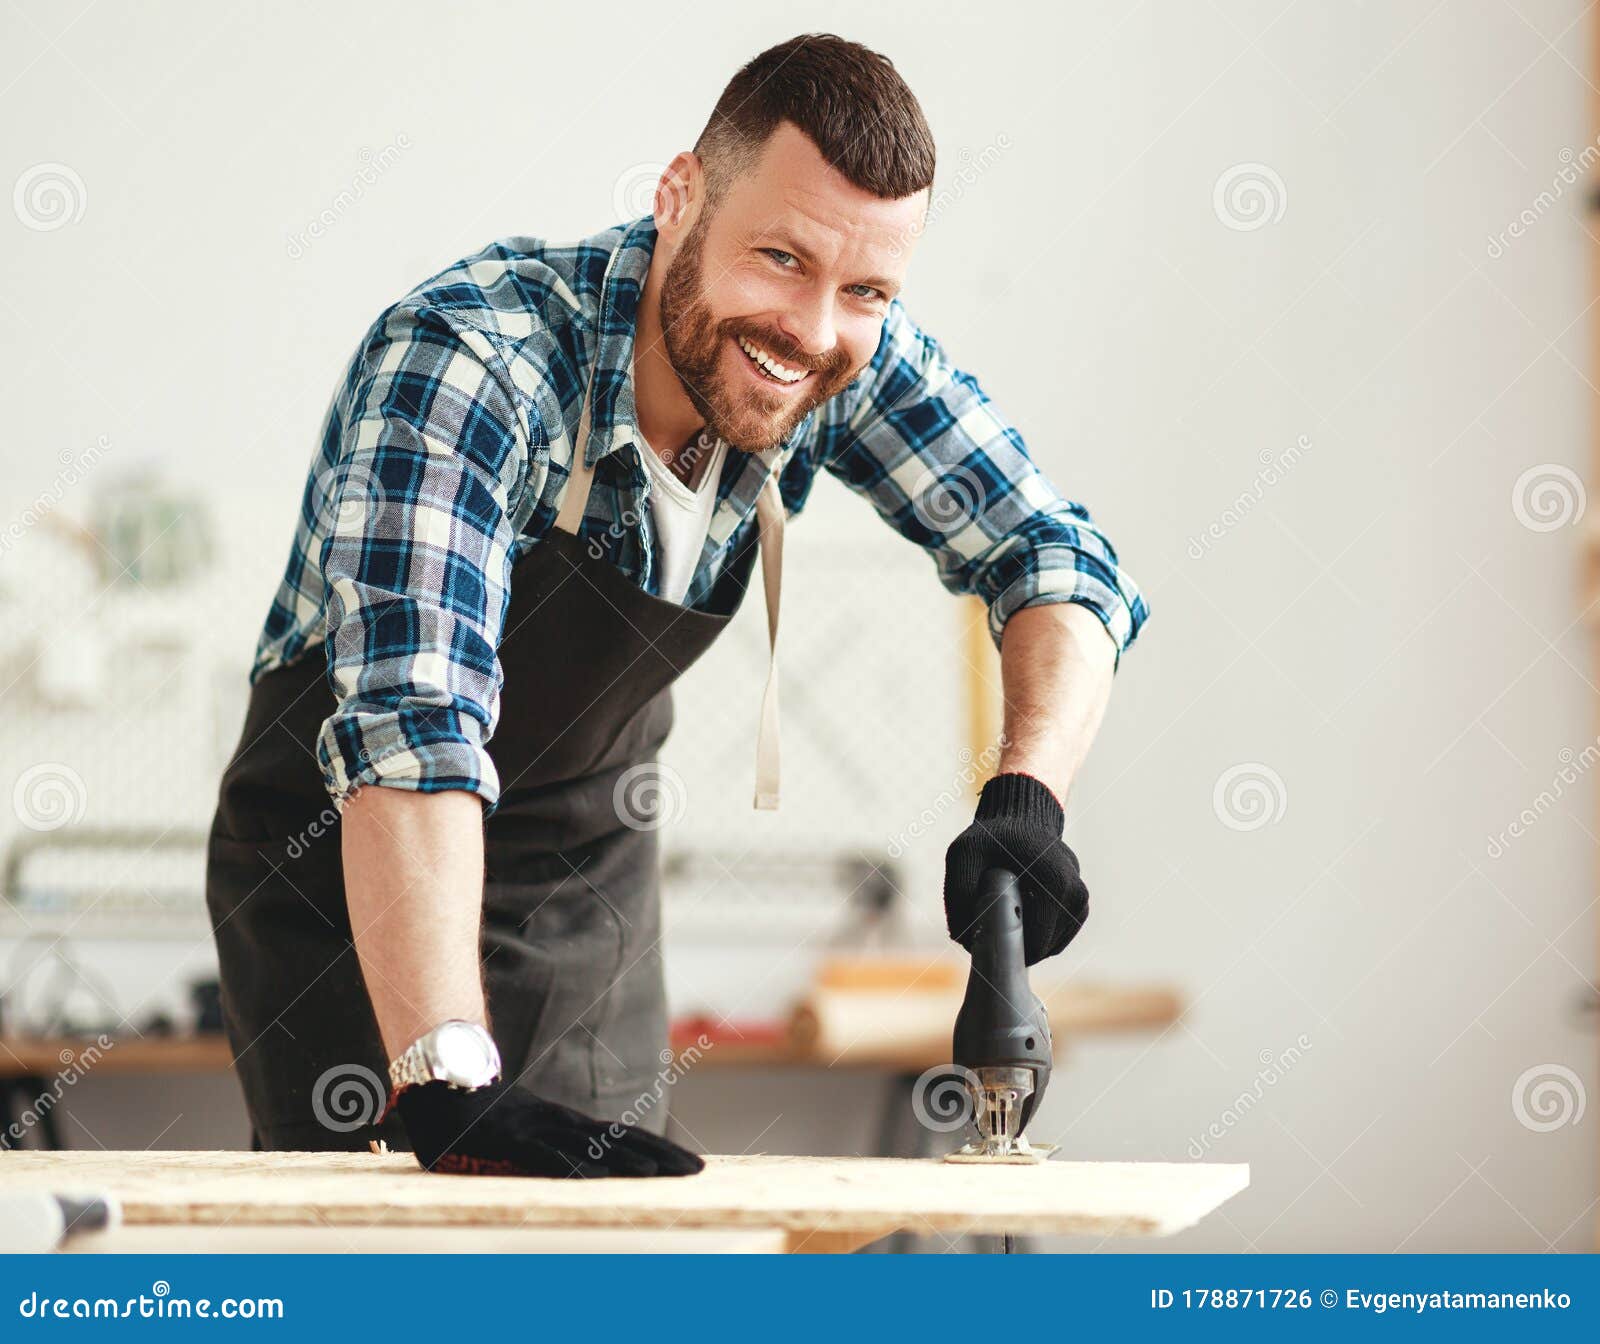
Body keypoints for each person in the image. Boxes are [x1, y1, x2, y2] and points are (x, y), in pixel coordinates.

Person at [205, 32, 1147, 1178]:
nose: (811, 327)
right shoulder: (474, 358)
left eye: (866, 288)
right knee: (390, 1262)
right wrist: (442, 1062)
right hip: (347, 872)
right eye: (779, 259)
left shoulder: (838, 353)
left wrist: (1026, 799)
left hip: (576, 876)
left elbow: (1056, 559)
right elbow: (415, 723)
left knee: (609, 1260)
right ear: (678, 195)